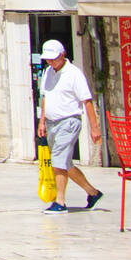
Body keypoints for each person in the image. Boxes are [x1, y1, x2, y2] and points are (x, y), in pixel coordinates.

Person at [36, 40, 103, 213]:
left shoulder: (74, 74)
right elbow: (45, 98)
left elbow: (87, 101)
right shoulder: (48, 72)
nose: (50, 62)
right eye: (48, 59)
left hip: (69, 122)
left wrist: (94, 128)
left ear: (62, 54)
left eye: (53, 59)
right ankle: (92, 192)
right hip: (51, 123)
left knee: (58, 161)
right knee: (65, 163)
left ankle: (60, 202)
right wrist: (42, 121)